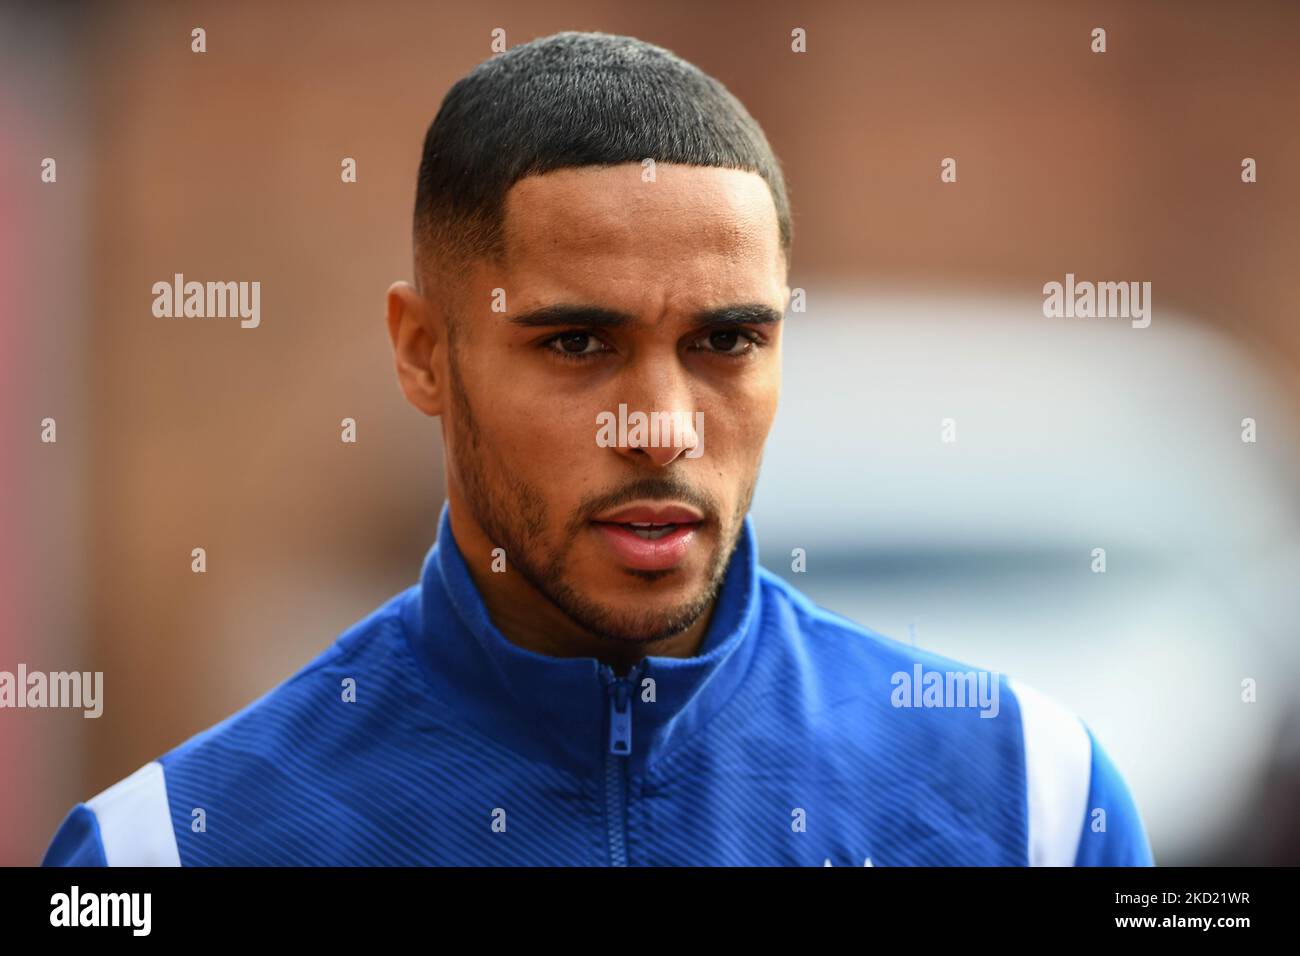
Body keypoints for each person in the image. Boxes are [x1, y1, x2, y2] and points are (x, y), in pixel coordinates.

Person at [43, 30, 1152, 867]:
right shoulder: (166, 850)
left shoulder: (1034, 802)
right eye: (577, 342)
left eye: (727, 339)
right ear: (425, 352)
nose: (661, 425)